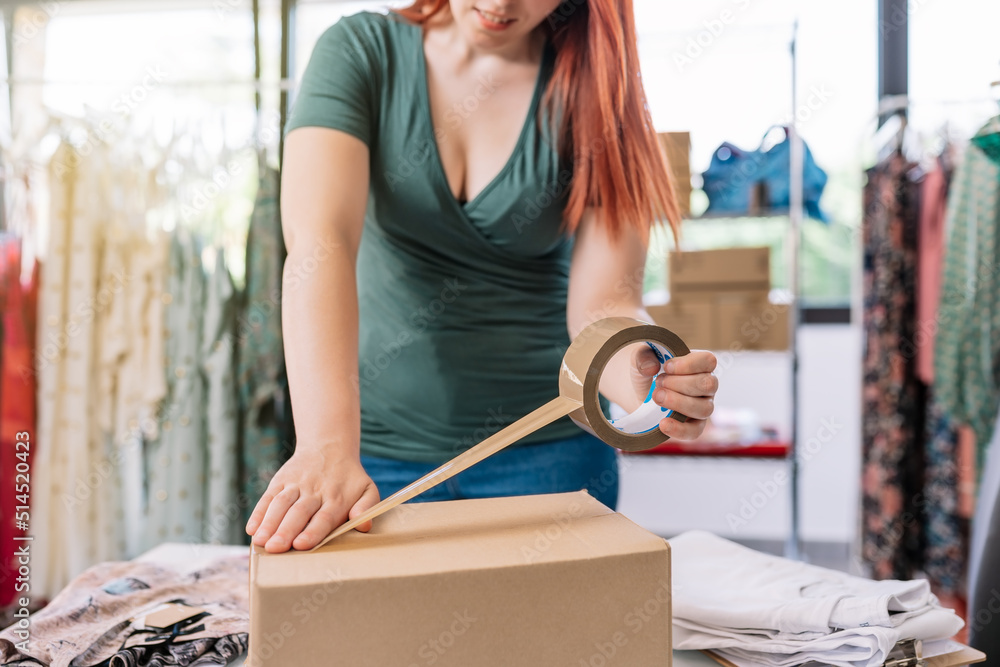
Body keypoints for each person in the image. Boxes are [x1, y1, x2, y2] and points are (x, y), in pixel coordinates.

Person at [246, 0, 719, 554]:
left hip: (547, 462)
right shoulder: (360, 52)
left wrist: (645, 375)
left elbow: (603, 305)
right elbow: (320, 244)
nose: (500, 4)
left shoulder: (598, 92)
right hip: (369, 458)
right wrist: (325, 445)